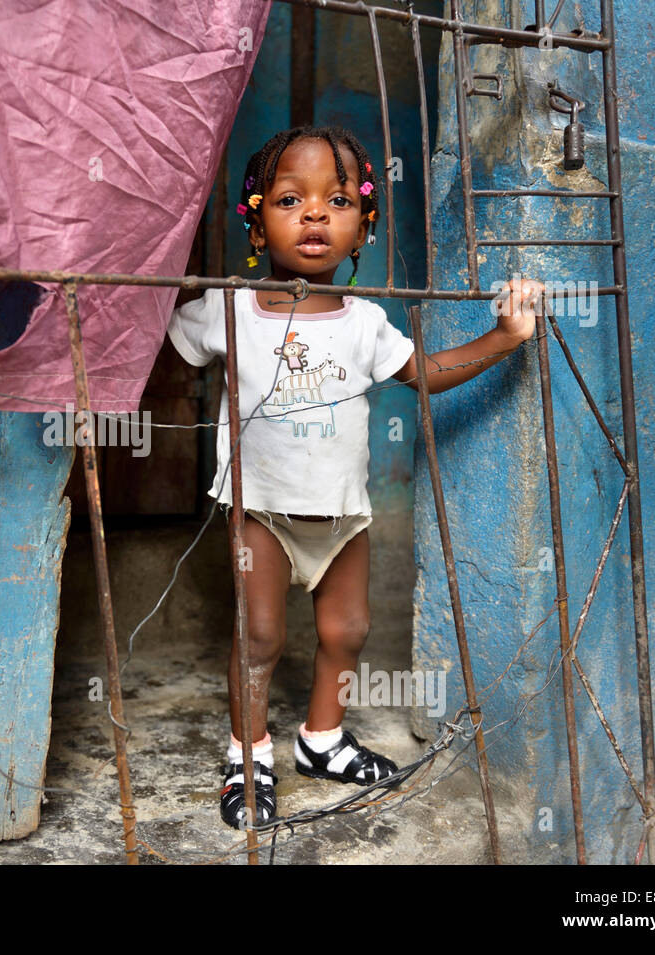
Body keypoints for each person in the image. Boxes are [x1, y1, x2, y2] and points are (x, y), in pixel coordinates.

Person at [165, 124, 544, 829]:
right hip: (263, 515)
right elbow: (159, 340)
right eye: (289, 199)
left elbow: (424, 375)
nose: (314, 214)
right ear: (255, 221)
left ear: (362, 227)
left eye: (335, 199)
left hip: (343, 514)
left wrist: (504, 336)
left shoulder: (366, 322)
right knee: (261, 638)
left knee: (348, 631)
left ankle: (323, 740)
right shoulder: (227, 309)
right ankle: (246, 756)